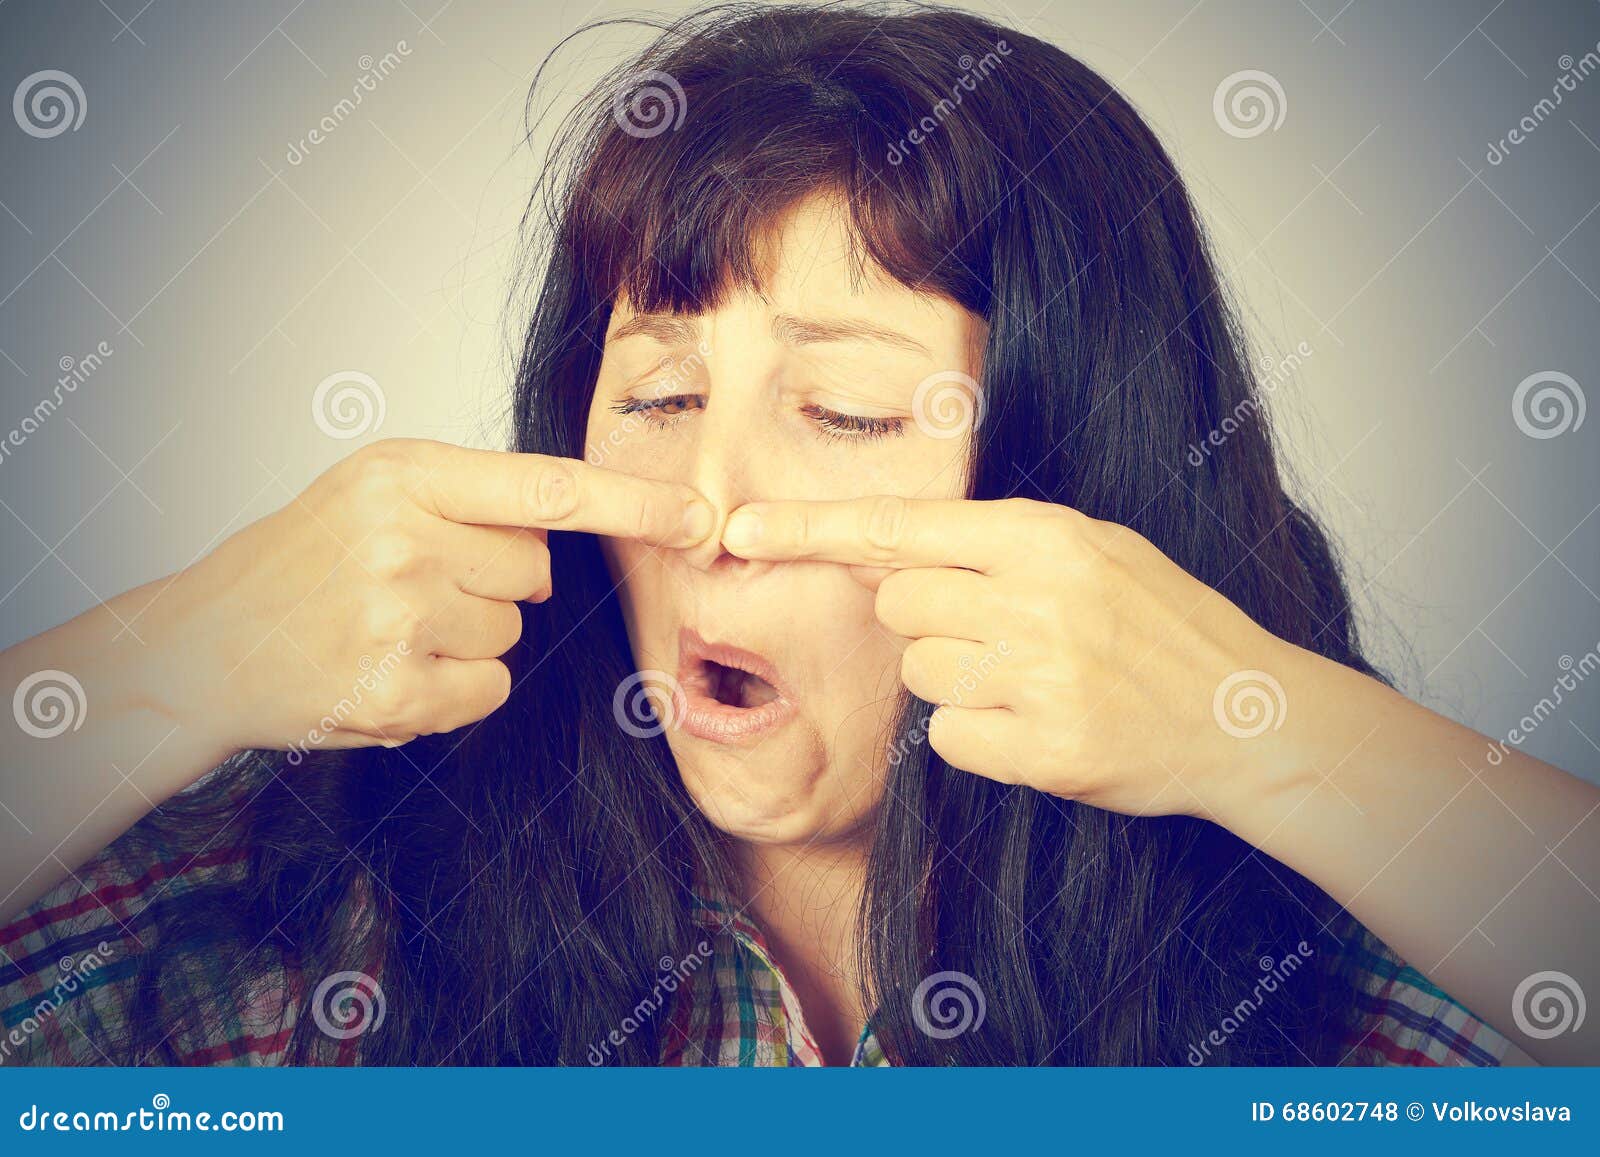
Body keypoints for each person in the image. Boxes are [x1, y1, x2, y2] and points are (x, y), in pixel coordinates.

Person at [2, 2, 1594, 1067]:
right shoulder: (333, 905)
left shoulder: (1323, 966)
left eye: (842, 413)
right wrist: (173, 662)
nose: (718, 513)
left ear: (1080, 492)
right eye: (659, 390)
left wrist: (1266, 734)